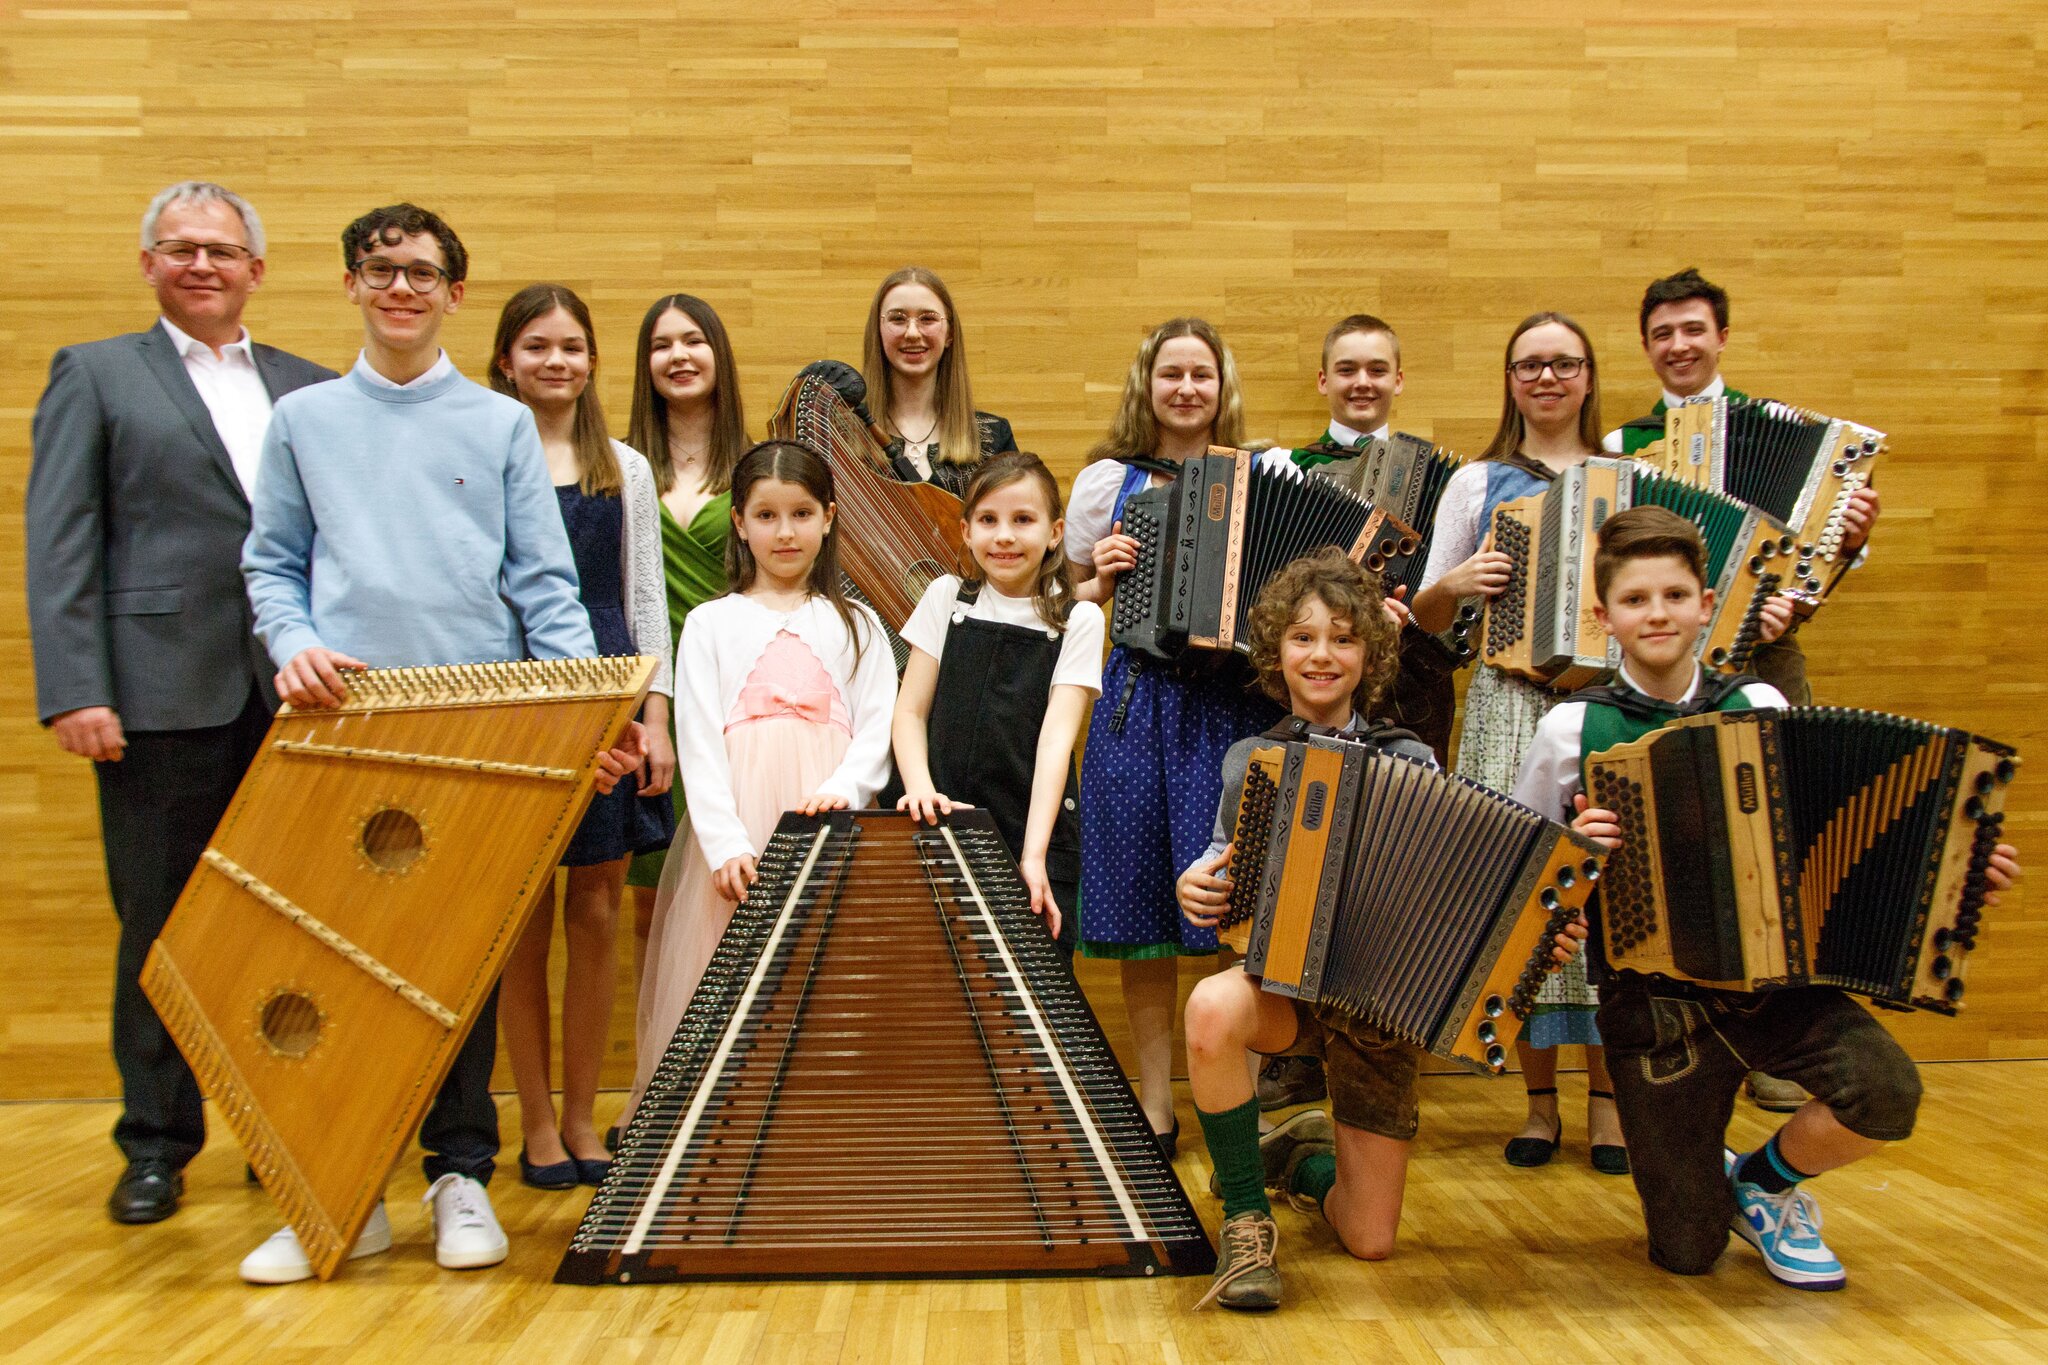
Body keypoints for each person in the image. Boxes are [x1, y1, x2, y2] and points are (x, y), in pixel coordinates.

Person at [237, 202, 642, 1283]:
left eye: (421, 272)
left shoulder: (498, 425)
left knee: (453, 968)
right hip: (343, 730)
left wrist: (580, 716)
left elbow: (545, 587)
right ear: (352, 286)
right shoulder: (305, 420)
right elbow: (272, 564)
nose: (401, 288)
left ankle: (458, 1173)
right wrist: (294, 642)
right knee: (338, 973)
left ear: (456, 294)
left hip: (478, 731)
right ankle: (339, 1189)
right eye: (381, 270)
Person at [1515, 504, 2021, 1291]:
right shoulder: (1573, 728)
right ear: (1603, 616)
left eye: (1675, 595)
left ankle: (1765, 1180)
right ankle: (1698, 1174)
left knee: (1887, 1091)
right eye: (1637, 598)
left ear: (1707, 604)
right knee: (1688, 1249)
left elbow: (1837, 831)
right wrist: (1582, 858)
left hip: (1778, 990)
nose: (1657, 613)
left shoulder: (1760, 707)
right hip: (1657, 1012)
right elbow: (1526, 869)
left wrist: (1953, 870)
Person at [25, 181, 335, 1226]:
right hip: (160, 697)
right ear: (149, 264)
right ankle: (156, 1143)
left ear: (257, 268)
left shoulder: (309, 386)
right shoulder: (99, 375)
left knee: (294, 927)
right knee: (161, 927)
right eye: (180, 248)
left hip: (300, 700)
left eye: (221, 249)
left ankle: (275, 1122)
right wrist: (77, 687)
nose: (202, 264)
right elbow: (61, 538)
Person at [1177, 552, 1590, 1311]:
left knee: (1369, 1239)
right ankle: (1245, 1217)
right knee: (1209, 1006)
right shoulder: (1252, 761)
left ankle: (1303, 1161)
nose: (1322, 655)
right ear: (1277, 654)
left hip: (1378, 1014)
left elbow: (1468, 893)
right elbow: (1219, 860)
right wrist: (1196, 883)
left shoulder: (1410, 759)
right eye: (1303, 638)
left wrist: (1537, 941)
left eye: (1341, 639)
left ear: (1368, 654)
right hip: (1285, 991)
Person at [1603, 267, 1881, 1111]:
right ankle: (1692, 1028)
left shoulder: (1803, 442)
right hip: (1659, 671)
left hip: (1766, 664)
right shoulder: (1623, 447)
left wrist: (1848, 542)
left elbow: (1819, 572)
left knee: (1779, 848)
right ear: (1646, 345)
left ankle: (1777, 1038)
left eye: (1693, 329)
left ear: (1720, 335)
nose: (1679, 345)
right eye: (1663, 333)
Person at [1409, 312, 1628, 1174]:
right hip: (1507, 701)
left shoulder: (1630, 478)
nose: (1546, 378)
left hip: (1607, 702)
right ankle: (1539, 1105)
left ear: (1587, 374)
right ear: (1510, 379)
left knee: (1605, 896)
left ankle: (1608, 1104)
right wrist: (1457, 582)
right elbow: (1425, 616)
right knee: (1526, 894)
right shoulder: (1477, 482)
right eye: (1530, 364)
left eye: (1563, 363)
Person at [625, 441, 897, 1122]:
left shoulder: (858, 624)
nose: (785, 531)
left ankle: (817, 1129)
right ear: (740, 523)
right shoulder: (713, 624)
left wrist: (845, 789)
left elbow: (876, 728)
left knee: (825, 979)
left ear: (829, 518)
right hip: (743, 829)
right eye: (767, 514)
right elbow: (698, 738)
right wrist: (721, 842)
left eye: (801, 513)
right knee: (732, 989)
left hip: (828, 826)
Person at [1065, 318, 1284, 1153]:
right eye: (1171, 375)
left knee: (1241, 906)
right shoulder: (1104, 480)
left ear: (1222, 387)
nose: (1187, 389)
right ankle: (1154, 1101)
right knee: (1138, 898)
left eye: (1202, 374)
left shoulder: (1265, 474)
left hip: (1234, 707)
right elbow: (1074, 602)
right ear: (1146, 386)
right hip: (1135, 702)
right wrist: (1101, 575)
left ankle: (1237, 1099)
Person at [488, 284, 677, 1190]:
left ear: (593, 360)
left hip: (608, 689)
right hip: (512, 690)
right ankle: (531, 1120)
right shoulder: (480, 450)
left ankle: (581, 1110)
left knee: (598, 908)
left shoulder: (625, 465)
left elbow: (646, 603)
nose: (554, 361)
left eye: (570, 345)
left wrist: (656, 717)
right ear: (504, 361)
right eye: (535, 346)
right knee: (519, 917)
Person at [893, 452, 1103, 960]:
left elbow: (1056, 742)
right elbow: (909, 712)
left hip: (1030, 832)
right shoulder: (946, 597)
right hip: (935, 826)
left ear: (1055, 533)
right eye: (988, 520)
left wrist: (1032, 857)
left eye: (1023, 520)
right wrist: (920, 790)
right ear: (965, 531)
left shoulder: (1080, 620)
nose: (1004, 536)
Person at [620, 295, 747, 969]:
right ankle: (664, 1059)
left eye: (693, 340)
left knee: (739, 885)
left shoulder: (757, 464)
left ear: (718, 355)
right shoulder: (615, 466)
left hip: (740, 697)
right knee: (657, 899)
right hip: (655, 705)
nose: (679, 355)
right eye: (661, 344)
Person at [860, 266, 1018, 495]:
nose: (912, 333)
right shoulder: (842, 436)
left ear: (950, 333)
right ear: (878, 330)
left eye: (927, 319)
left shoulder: (994, 437)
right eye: (897, 318)